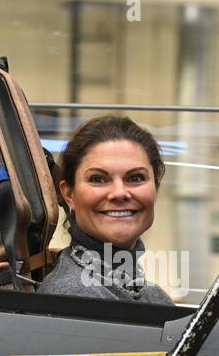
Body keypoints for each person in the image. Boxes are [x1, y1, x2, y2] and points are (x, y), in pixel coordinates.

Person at [38, 115, 174, 304]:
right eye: (98, 179)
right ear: (69, 194)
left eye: (135, 178)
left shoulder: (156, 298)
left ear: (156, 189)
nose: (119, 193)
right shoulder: (71, 298)